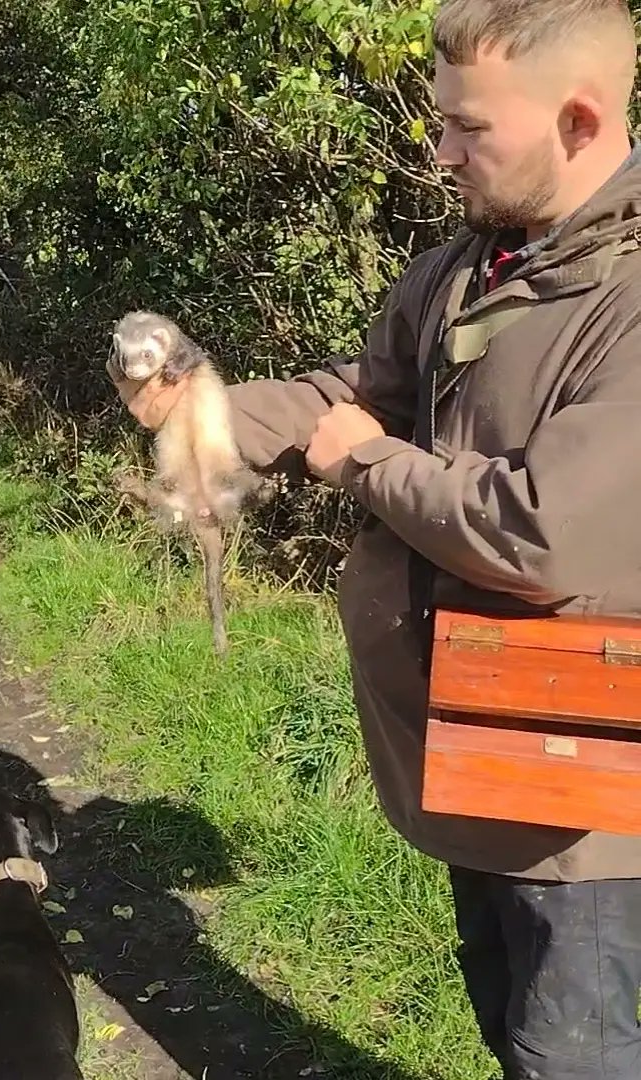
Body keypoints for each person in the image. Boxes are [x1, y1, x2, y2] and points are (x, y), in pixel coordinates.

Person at [110, 1, 641, 1075]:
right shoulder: (470, 264)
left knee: (572, 1051)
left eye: (468, 129)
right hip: (471, 754)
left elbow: (537, 532)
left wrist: (364, 464)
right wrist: (214, 426)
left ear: (579, 121)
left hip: (583, 804)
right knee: (511, 1027)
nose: (438, 151)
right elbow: (365, 393)